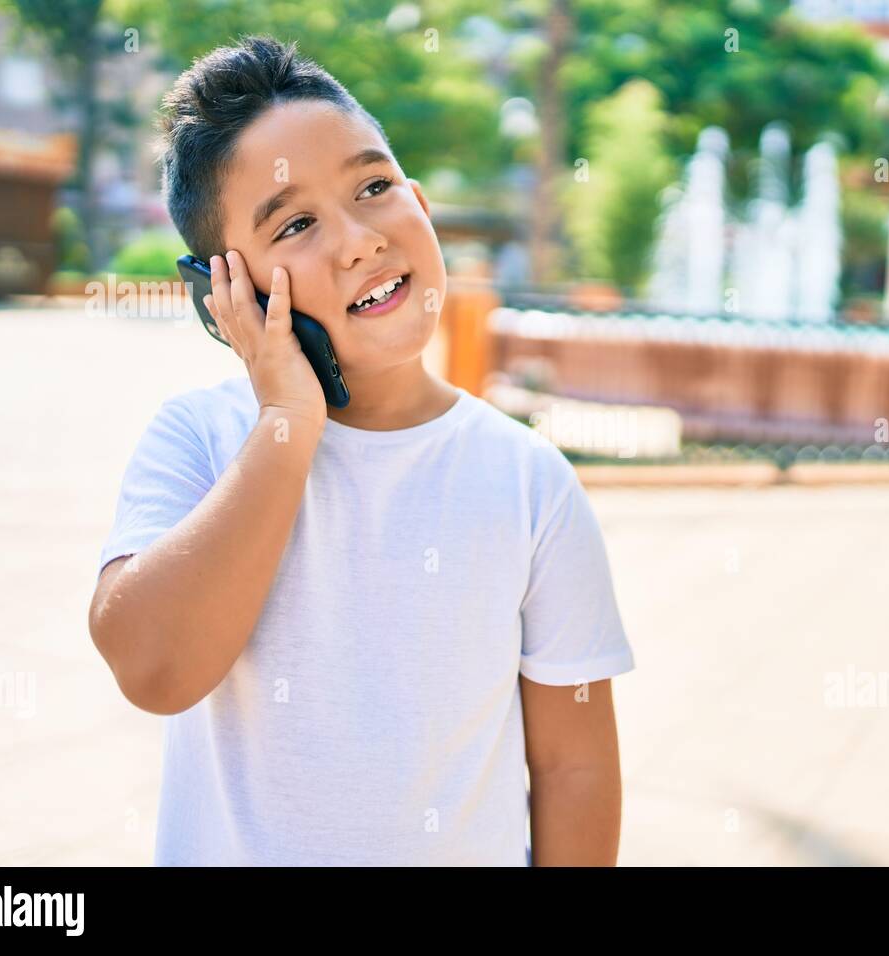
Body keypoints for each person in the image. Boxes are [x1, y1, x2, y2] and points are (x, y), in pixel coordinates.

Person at [87, 34, 635, 866]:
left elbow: (575, 764)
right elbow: (155, 669)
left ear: (417, 200)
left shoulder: (528, 482)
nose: (359, 239)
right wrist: (285, 424)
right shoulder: (198, 439)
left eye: (374, 188)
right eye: (297, 223)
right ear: (223, 293)